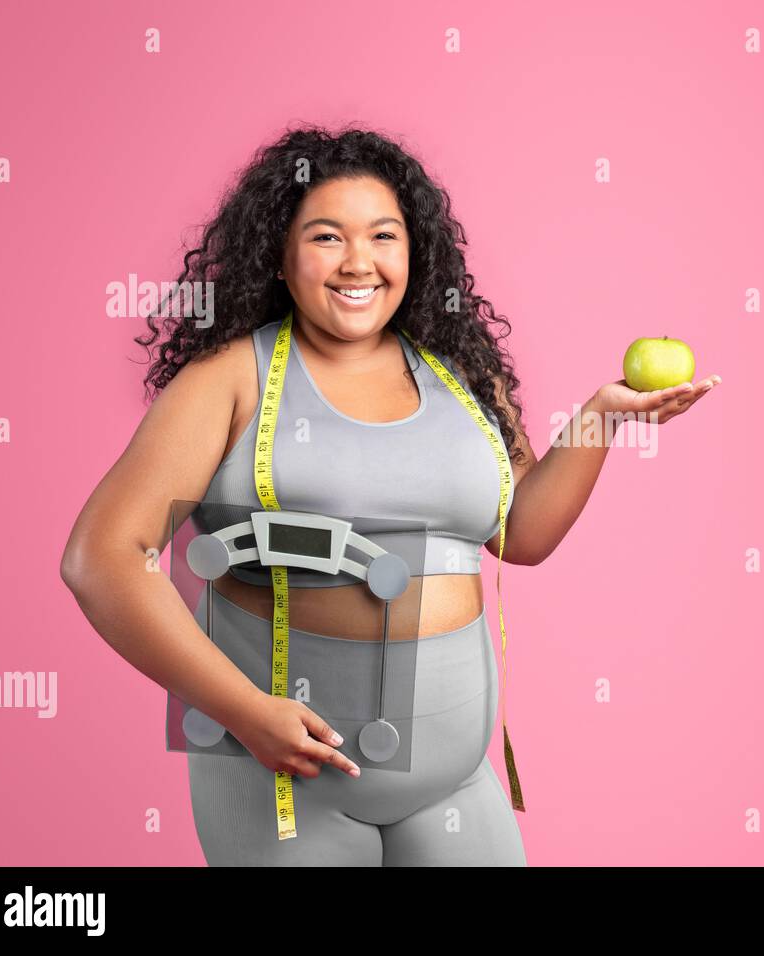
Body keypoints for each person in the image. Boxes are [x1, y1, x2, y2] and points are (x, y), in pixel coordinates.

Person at [59, 124, 721, 866]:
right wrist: (244, 714)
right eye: (326, 237)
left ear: (415, 252)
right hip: (285, 777)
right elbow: (103, 557)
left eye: (383, 235)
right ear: (279, 254)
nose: (358, 262)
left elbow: (522, 534)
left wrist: (600, 418)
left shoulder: (462, 376)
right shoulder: (230, 379)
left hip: (455, 783)